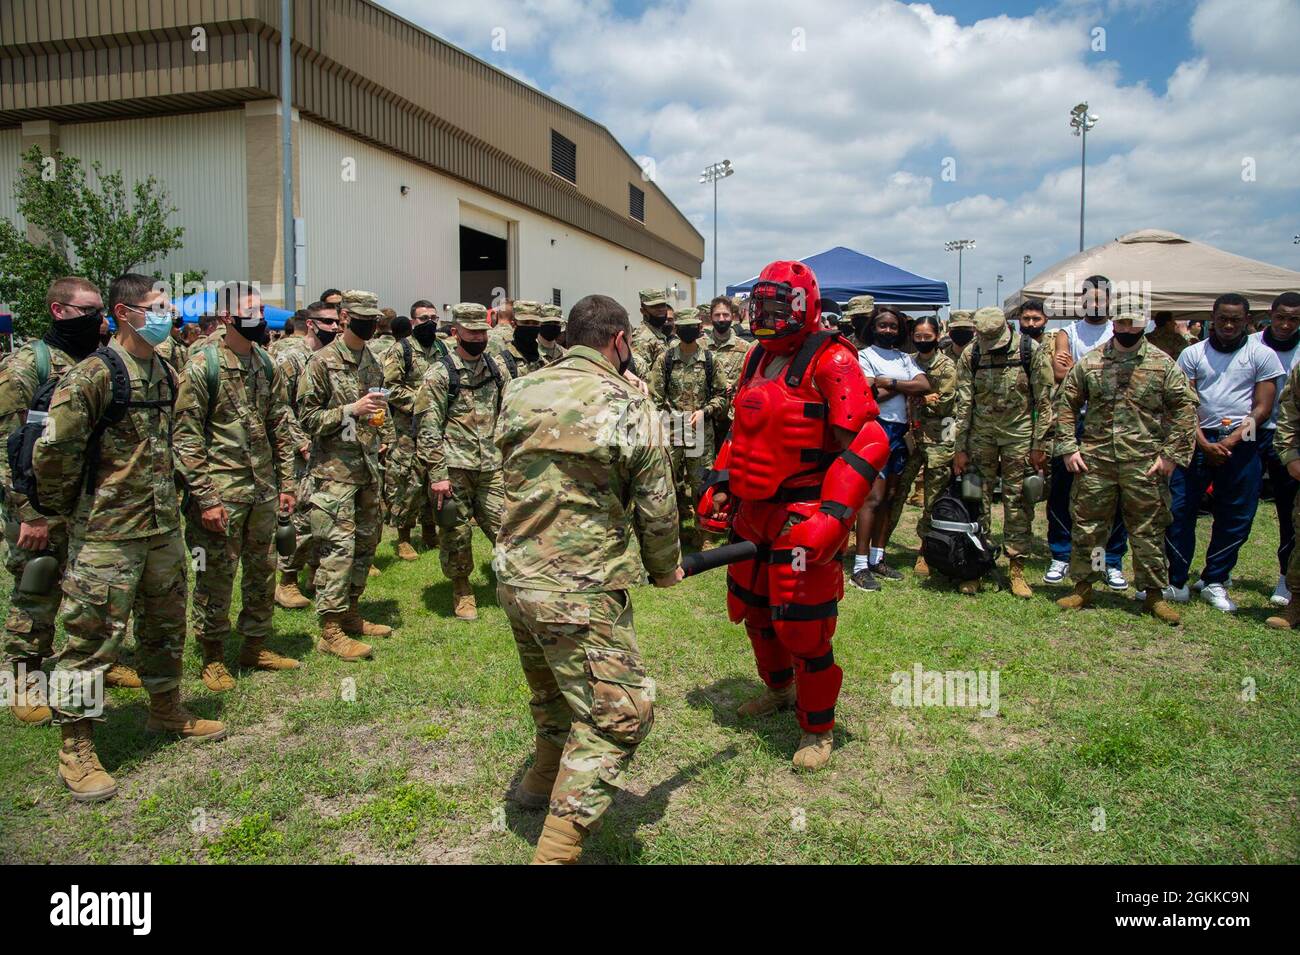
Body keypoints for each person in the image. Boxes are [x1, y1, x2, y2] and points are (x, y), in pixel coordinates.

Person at [495, 294, 680, 865]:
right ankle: (557, 850)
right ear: (620, 340)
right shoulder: (628, 403)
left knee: (553, 693)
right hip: (579, 587)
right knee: (621, 715)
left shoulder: (521, 388)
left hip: (516, 577)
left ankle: (537, 784)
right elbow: (656, 502)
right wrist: (664, 566)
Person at [34, 274, 227, 803]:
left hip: (161, 524)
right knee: (92, 636)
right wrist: (62, 512)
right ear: (126, 311)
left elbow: (181, 440)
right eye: (159, 306)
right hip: (106, 531)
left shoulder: (165, 371)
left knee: (165, 623)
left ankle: (165, 709)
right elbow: (53, 453)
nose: (169, 315)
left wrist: (201, 495)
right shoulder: (93, 376)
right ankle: (76, 746)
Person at [699, 260, 889, 773]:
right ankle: (778, 691)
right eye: (758, 304)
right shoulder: (756, 356)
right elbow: (745, 430)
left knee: (803, 625)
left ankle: (817, 727)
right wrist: (720, 485)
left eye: (775, 306)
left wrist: (833, 514)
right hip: (754, 508)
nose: (763, 315)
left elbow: (869, 440)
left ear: (803, 306)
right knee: (754, 611)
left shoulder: (833, 360)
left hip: (801, 511)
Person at [1, 276, 141, 727]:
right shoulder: (26, 366)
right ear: (59, 311)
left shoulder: (102, 361)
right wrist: (29, 512)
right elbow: (8, 447)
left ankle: (102, 658)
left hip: (91, 505)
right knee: (36, 586)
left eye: (101, 309)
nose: (98, 318)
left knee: (96, 592)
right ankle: (21, 678)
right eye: (88, 310)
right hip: (41, 505)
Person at [173, 282, 299, 690]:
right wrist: (205, 498)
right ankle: (212, 654)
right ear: (227, 317)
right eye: (250, 311)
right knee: (215, 576)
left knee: (262, 570)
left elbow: (280, 423)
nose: (259, 318)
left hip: (262, 489)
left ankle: (255, 645)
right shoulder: (202, 366)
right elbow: (186, 437)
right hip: (220, 494)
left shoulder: (266, 363)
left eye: (261, 310)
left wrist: (287, 483)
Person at [1054, 311, 1198, 624]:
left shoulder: (1161, 364)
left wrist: (1171, 455)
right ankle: (1085, 585)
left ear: (1143, 324)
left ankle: (1153, 595)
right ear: (1114, 324)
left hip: (1144, 463)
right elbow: (1066, 403)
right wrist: (1068, 447)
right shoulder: (1092, 361)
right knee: (1090, 528)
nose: (1127, 329)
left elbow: (1185, 410)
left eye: (1134, 323)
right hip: (1096, 461)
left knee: (1148, 529)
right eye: (1122, 323)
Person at [1159, 293, 1283, 612]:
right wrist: (1202, 441)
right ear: (1212, 318)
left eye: (1235, 320)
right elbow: (1183, 403)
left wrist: (1230, 442)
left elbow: (1263, 407)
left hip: (1242, 442)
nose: (1228, 325)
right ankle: (1177, 581)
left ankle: (1215, 579)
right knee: (1179, 510)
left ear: (1246, 321)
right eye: (1222, 319)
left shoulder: (1263, 355)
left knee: (1236, 514)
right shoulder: (1192, 353)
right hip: (1195, 439)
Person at [297, 289, 395, 659]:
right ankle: (331, 629)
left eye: (374, 320)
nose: (369, 326)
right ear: (344, 319)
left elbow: (378, 409)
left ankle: (352, 613)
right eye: (362, 320)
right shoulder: (321, 362)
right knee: (337, 551)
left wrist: (380, 430)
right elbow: (307, 418)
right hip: (333, 473)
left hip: (367, 469)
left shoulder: (373, 360)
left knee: (365, 548)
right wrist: (349, 410)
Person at [414, 303, 514, 620]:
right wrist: (438, 475)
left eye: (482, 331)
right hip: (453, 469)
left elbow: (510, 413)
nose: (478, 337)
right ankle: (462, 590)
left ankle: (511, 583)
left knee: (507, 528)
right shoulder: (440, 373)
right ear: (456, 333)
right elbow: (428, 428)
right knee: (457, 534)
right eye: (472, 332)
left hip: (492, 467)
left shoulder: (498, 369)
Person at [951, 306, 1054, 597]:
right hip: (979, 438)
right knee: (975, 500)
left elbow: (1044, 401)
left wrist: (1039, 444)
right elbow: (963, 404)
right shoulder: (971, 354)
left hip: (1018, 436)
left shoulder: (1029, 350)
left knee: (1018, 500)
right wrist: (960, 448)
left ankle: (1016, 568)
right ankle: (976, 567)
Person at [1045, 276, 1128, 589]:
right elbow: (1059, 372)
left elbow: (1122, 374)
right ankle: (1061, 555)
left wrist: (1079, 369)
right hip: (1073, 421)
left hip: (1114, 426)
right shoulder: (1068, 332)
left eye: (1102, 299)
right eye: (1090, 298)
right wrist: (1098, 370)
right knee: (1063, 491)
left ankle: (1109, 561)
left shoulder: (1119, 330)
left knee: (1113, 494)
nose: (1096, 304)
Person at [851, 306, 930, 589]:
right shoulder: (864, 357)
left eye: (893, 327)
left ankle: (877, 557)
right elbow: (870, 396)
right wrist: (902, 386)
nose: (888, 331)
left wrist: (890, 382)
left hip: (900, 432)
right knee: (873, 498)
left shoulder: (903, 358)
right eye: (882, 326)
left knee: (891, 497)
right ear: (873, 327)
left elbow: (924, 384)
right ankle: (860, 565)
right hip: (876, 429)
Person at [649, 307, 732, 549]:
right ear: (677, 329)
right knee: (668, 484)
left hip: (699, 433)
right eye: (683, 326)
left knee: (701, 484)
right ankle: (669, 536)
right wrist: (670, 417)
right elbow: (654, 397)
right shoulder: (665, 359)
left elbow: (721, 396)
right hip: (672, 431)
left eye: (692, 327)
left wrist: (704, 411)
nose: (688, 330)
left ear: (698, 328)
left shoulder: (709, 360)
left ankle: (703, 534)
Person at [274, 303, 339, 610]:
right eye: (328, 322)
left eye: (337, 321)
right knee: (300, 515)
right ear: (311, 324)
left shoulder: (329, 357)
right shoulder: (291, 357)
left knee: (323, 514)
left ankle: (316, 572)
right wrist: (300, 442)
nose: (335, 327)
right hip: (299, 450)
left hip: (327, 447)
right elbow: (280, 406)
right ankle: (287, 580)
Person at [887, 314, 957, 576]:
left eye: (927, 337)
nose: (923, 341)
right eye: (918, 337)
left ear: (937, 336)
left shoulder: (947, 366)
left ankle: (925, 552)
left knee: (933, 498)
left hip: (938, 439)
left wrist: (915, 394)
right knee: (896, 493)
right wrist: (923, 394)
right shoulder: (908, 363)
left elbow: (946, 402)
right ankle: (879, 548)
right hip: (910, 437)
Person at [381, 299, 449, 561]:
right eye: (423, 318)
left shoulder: (443, 348)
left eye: (433, 317)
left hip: (436, 427)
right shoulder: (401, 350)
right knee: (407, 482)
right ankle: (403, 537)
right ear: (412, 322)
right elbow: (390, 387)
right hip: (407, 429)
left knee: (435, 480)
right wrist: (421, 403)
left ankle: (430, 530)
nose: (429, 322)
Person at [1253, 292, 1300, 607]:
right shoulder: (1252, 343)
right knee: (1237, 504)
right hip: (1251, 431)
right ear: (1270, 314)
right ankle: (1218, 573)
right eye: (1280, 317)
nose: (1285, 325)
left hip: (1290, 438)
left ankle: (1286, 578)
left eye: (1293, 319)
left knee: (1288, 511)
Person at [706, 296, 750, 455]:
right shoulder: (699, 345)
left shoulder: (744, 348)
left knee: (728, 464)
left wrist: (735, 386)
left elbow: (750, 381)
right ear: (711, 317)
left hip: (732, 418)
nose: (721, 319)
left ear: (732, 315)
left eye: (725, 315)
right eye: (717, 315)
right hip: (705, 417)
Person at [495, 299, 546, 376]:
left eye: (535, 323)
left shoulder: (544, 363)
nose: (530, 327)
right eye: (525, 322)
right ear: (514, 324)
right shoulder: (502, 364)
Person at [631, 288, 673, 375]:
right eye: (654, 306)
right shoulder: (642, 339)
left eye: (662, 305)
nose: (660, 309)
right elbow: (642, 375)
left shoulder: (660, 333)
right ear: (643, 311)